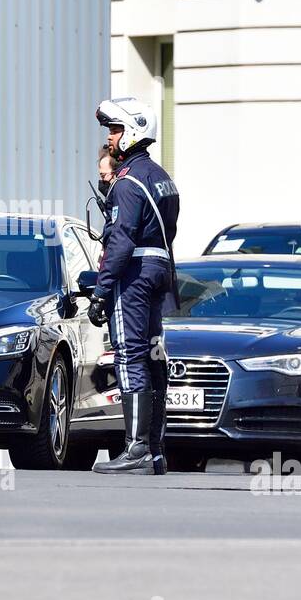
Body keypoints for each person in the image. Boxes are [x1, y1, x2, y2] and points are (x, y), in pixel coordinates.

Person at [87, 97, 180, 475]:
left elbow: (121, 242)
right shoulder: (162, 177)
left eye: (116, 129)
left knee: (129, 354)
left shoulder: (127, 183)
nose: (111, 137)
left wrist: (100, 291)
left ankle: (137, 448)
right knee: (153, 355)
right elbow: (168, 231)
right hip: (161, 269)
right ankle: (156, 451)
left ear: (134, 131)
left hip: (135, 275)